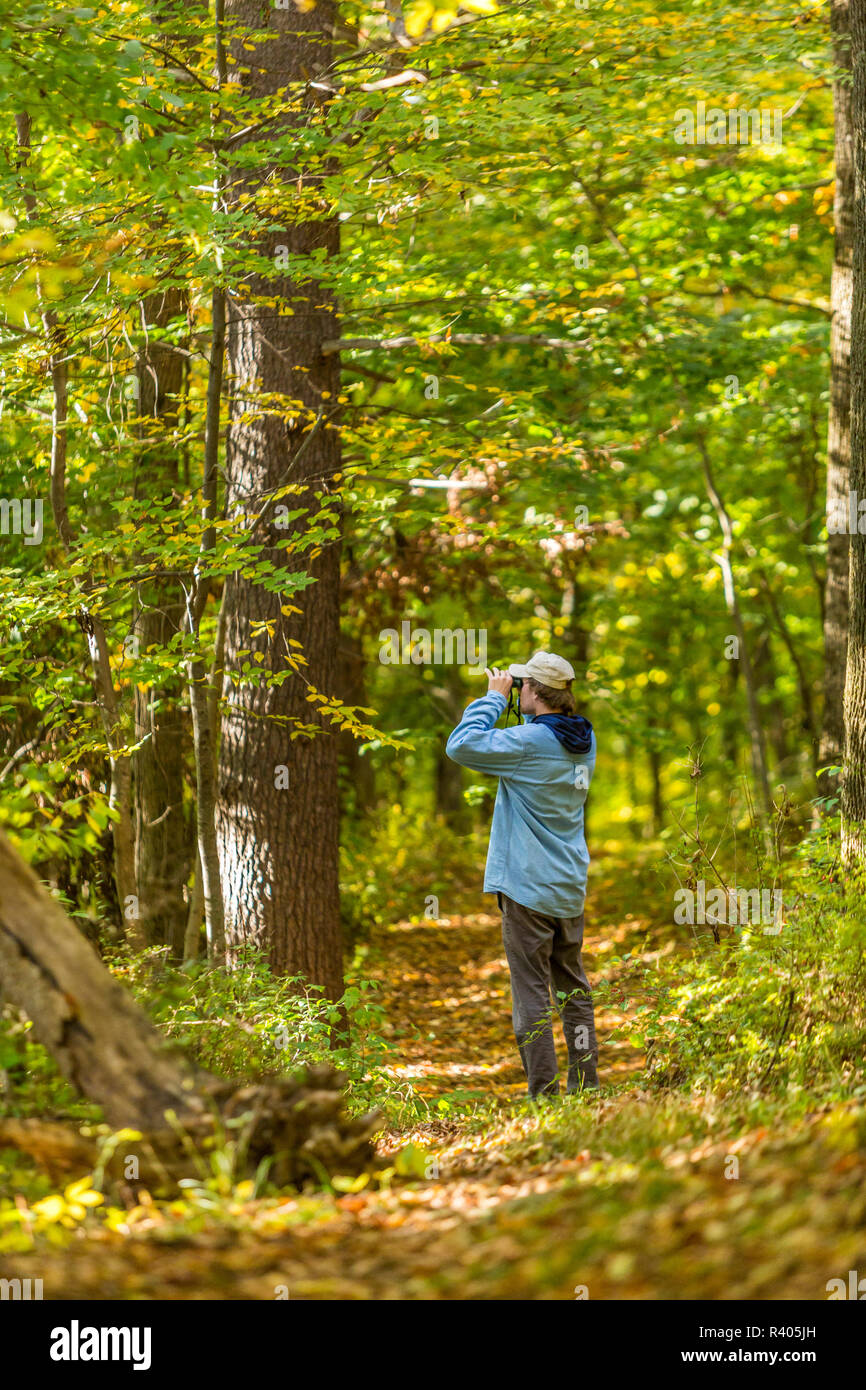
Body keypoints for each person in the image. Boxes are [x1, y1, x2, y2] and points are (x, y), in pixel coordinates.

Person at [445, 650, 599, 1099]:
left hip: (528, 889)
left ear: (534, 690)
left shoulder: (529, 743)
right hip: (568, 885)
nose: (517, 690)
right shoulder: (585, 739)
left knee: (531, 993)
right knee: (573, 991)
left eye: (521, 684)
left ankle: (544, 1096)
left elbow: (461, 745)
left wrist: (493, 699)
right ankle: (587, 1088)